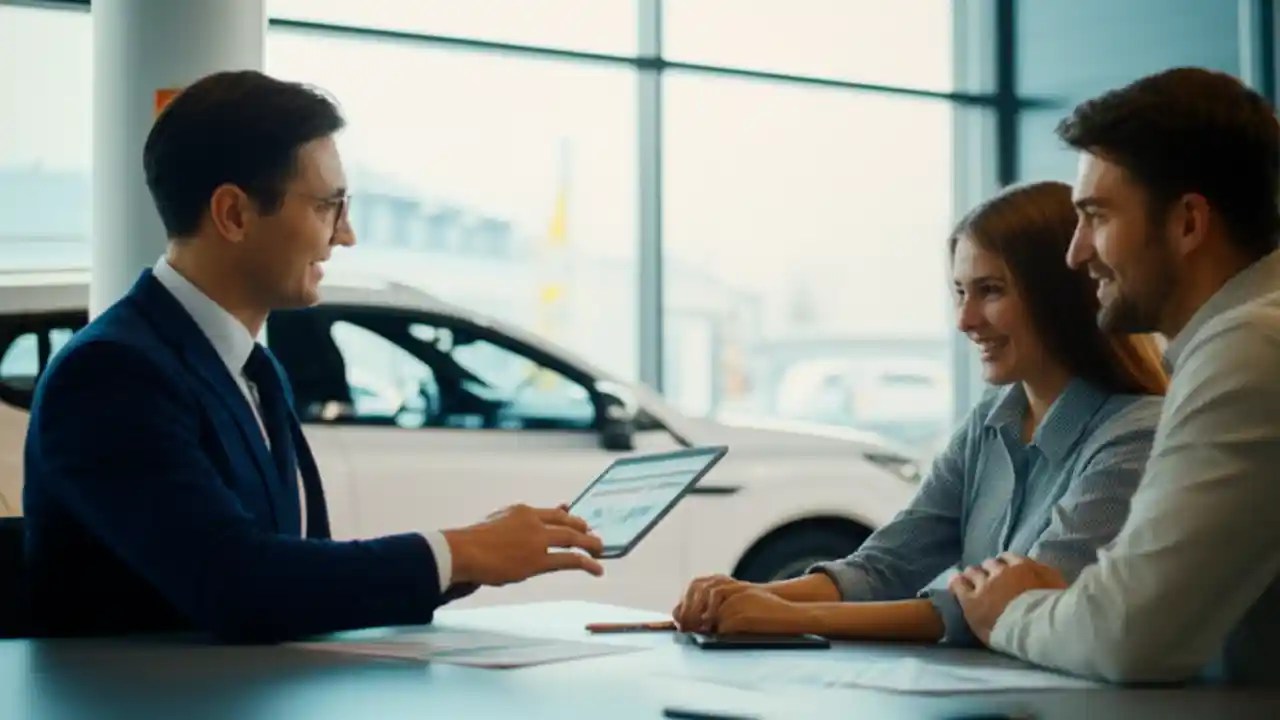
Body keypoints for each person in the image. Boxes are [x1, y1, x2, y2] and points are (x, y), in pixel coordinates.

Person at [22, 70, 604, 642]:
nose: (344, 235)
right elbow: (238, 584)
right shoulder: (110, 374)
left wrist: (471, 558)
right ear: (233, 214)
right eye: (329, 205)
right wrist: (459, 552)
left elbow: (297, 571)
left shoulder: (253, 367)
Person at [673, 181, 1168, 645]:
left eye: (991, 290)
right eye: (960, 292)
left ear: (1060, 296)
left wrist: (792, 617)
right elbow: (886, 566)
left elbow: (1008, 608)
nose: (965, 320)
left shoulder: (1136, 435)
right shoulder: (991, 420)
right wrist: (738, 595)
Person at [952, 68, 1280, 685]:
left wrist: (1010, 611)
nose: (1077, 253)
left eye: (1096, 216)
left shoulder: (1250, 348)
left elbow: (1129, 634)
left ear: (1187, 223)